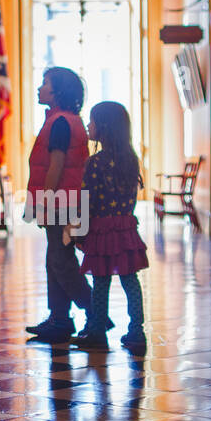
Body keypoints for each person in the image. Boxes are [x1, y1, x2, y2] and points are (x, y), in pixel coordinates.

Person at [64, 101, 149, 350]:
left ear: (103, 127)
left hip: (102, 231)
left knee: (101, 283)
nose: (88, 126)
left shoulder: (95, 163)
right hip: (125, 230)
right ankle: (137, 331)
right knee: (130, 281)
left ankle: (98, 331)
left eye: (91, 121)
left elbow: (86, 203)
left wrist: (78, 232)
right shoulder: (131, 160)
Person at [24, 67, 93, 342]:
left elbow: (56, 166)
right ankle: (60, 319)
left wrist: (43, 203)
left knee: (60, 260)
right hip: (67, 201)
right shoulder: (62, 120)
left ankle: (94, 311)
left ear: (58, 92)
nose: (39, 88)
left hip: (63, 203)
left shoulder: (60, 123)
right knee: (56, 259)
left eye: (45, 83)